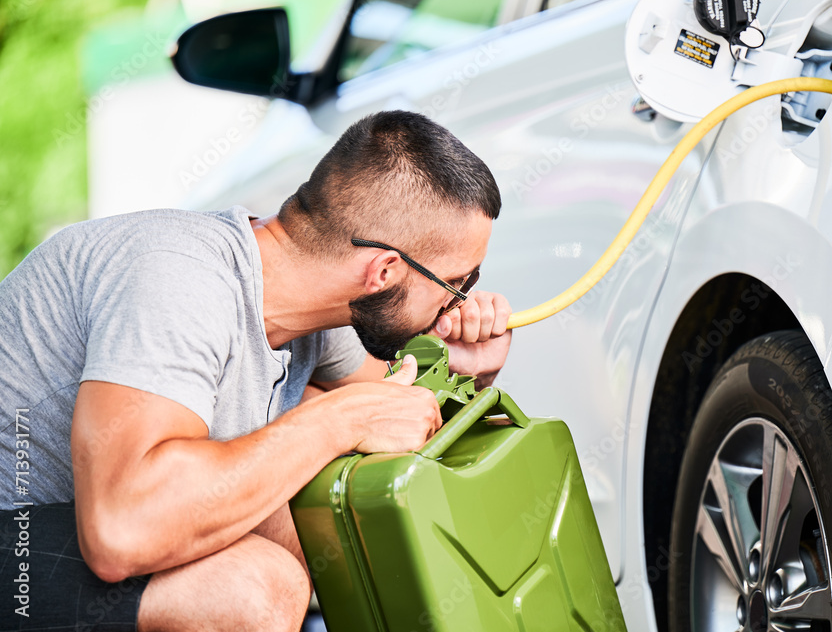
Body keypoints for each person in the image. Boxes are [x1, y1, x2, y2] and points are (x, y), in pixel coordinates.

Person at [0, 111, 512, 631]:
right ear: (382, 272)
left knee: (303, 503)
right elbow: (121, 531)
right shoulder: (180, 279)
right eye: (455, 283)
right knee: (251, 588)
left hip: (68, 527)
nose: (458, 303)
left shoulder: (313, 306)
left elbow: (395, 418)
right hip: (17, 541)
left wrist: (467, 373)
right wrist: (336, 421)